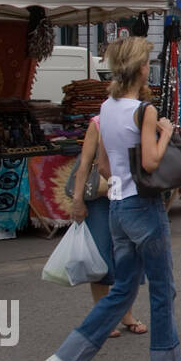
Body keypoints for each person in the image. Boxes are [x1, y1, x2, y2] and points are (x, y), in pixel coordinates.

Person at [44, 36, 181, 361]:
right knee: (162, 289)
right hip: (142, 206)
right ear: (142, 68)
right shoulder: (143, 110)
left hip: (118, 204)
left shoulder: (106, 108)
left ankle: (68, 358)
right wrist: (166, 134)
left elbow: (102, 164)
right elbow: (150, 162)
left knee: (122, 288)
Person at [70, 115, 146, 338]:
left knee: (130, 257)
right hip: (101, 198)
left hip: (131, 195)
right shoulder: (99, 122)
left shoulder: (142, 118)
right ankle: (104, 315)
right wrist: (77, 200)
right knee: (101, 256)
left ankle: (126, 313)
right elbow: (84, 162)